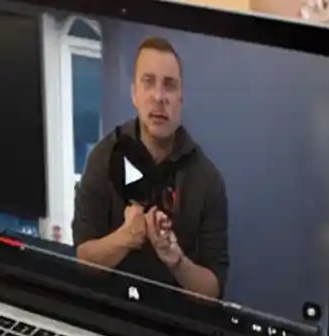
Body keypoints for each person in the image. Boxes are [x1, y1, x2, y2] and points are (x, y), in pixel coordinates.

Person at [72, 36, 230, 299]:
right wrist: (124, 238)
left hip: (174, 329)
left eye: (169, 86)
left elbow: (213, 294)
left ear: (181, 98)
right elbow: (82, 261)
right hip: (106, 315)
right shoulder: (103, 157)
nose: (159, 97)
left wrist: (175, 259)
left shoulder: (208, 180)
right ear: (134, 93)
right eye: (148, 82)